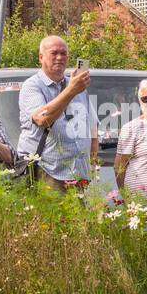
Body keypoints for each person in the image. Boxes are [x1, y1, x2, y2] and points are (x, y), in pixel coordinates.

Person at [16, 35, 96, 192]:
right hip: (48, 171)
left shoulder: (77, 86)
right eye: (54, 53)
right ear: (41, 57)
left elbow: (91, 128)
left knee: (79, 217)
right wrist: (71, 90)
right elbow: (42, 119)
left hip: (78, 174)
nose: (60, 57)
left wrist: (92, 165)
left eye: (64, 53)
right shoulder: (32, 86)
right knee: (52, 216)